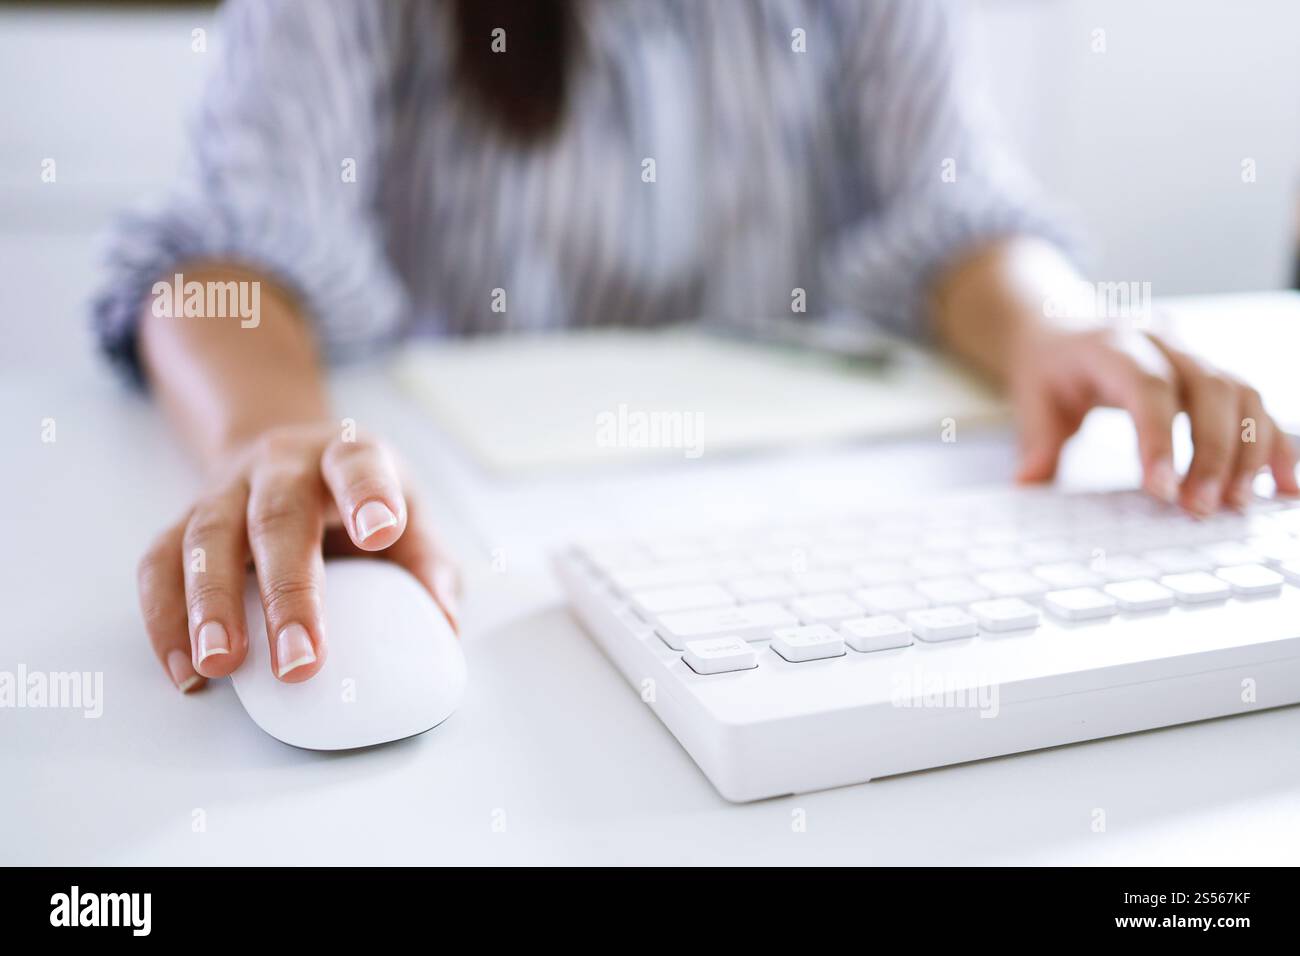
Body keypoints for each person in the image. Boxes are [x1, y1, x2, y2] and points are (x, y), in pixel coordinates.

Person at [94, 0, 1297, 694]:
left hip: (800, 550)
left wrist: (1057, 325)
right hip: (474, 530)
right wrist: (274, 437)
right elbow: (223, 254)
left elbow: (955, 206)